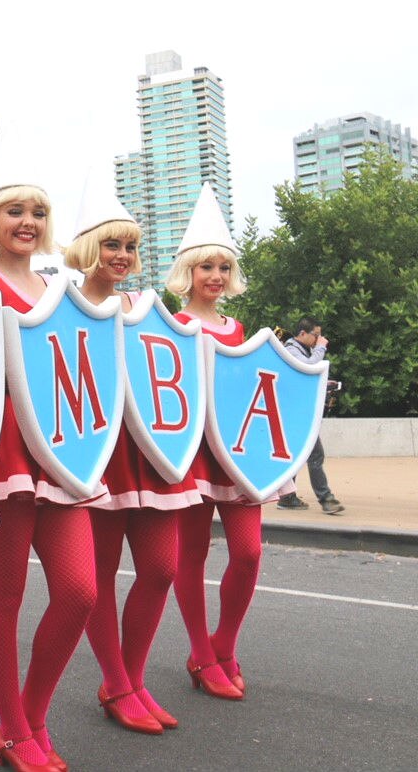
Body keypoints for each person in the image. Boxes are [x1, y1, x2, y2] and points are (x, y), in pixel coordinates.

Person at [0, 184, 100, 772]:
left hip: (65, 457)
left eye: (37, 212)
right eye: (14, 211)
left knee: (80, 593)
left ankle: (32, 714)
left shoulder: (57, 289)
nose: (27, 221)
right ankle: (14, 731)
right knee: (6, 595)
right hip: (7, 462)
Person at [63, 190, 194, 735]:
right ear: (90, 247)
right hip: (94, 453)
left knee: (162, 569)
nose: (121, 254)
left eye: (129, 246)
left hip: (151, 453)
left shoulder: (145, 310)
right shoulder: (58, 303)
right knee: (98, 578)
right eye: (112, 244)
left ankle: (131, 679)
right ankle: (117, 682)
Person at [167, 183, 281, 702]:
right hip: (191, 453)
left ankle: (223, 644)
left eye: (222, 268)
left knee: (249, 553)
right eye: (205, 267)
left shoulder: (239, 328)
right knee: (188, 555)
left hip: (235, 455)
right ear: (187, 272)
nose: (214, 276)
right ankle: (200, 651)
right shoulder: (173, 325)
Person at [279, 318, 345, 514]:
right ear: (302, 334)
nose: (319, 339)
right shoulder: (292, 349)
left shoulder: (300, 349)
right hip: (294, 415)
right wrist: (321, 349)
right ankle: (327, 499)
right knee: (315, 454)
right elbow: (307, 367)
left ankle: (287, 497)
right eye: (316, 335)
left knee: (297, 456)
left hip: (297, 412)